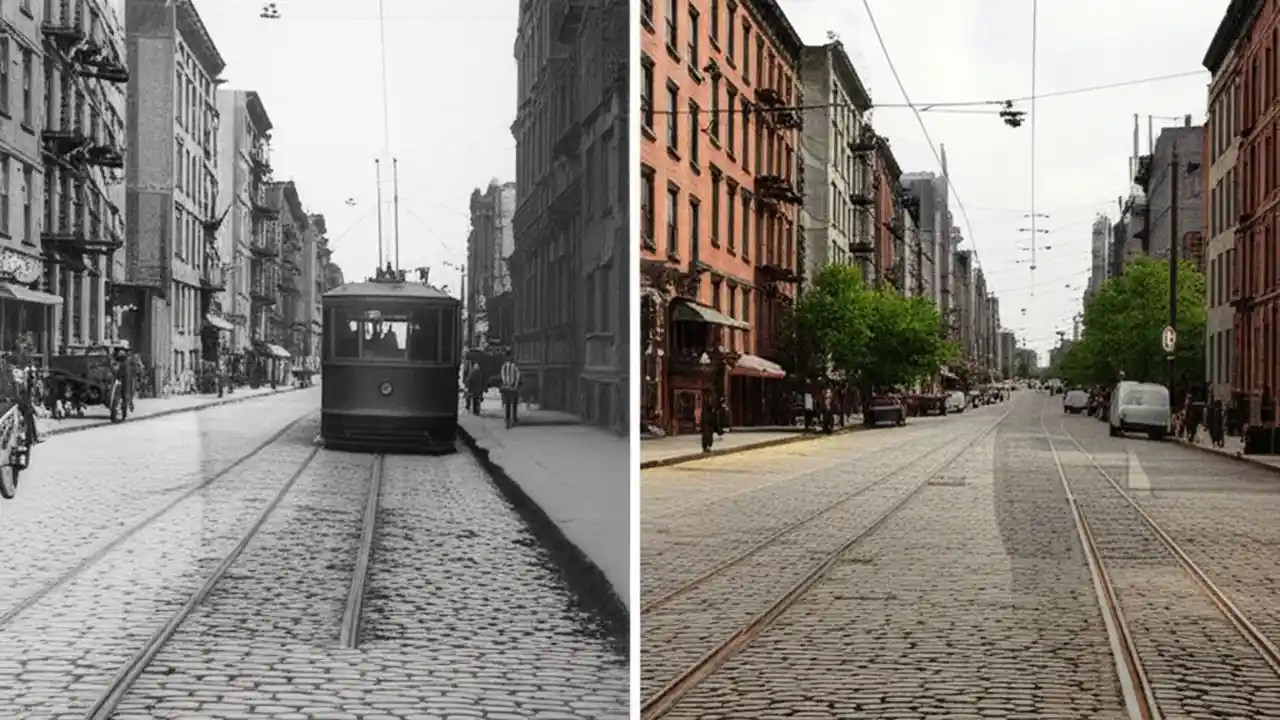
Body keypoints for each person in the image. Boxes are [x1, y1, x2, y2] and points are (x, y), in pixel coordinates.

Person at [499, 351, 520, 428]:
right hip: (511, 387)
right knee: (511, 404)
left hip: (509, 386)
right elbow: (517, 376)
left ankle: (511, 419)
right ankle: (511, 419)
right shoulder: (510, 366)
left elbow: (503, 376)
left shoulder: (507, 366)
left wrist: (508, 383)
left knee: (510, 404)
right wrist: (513, 384)